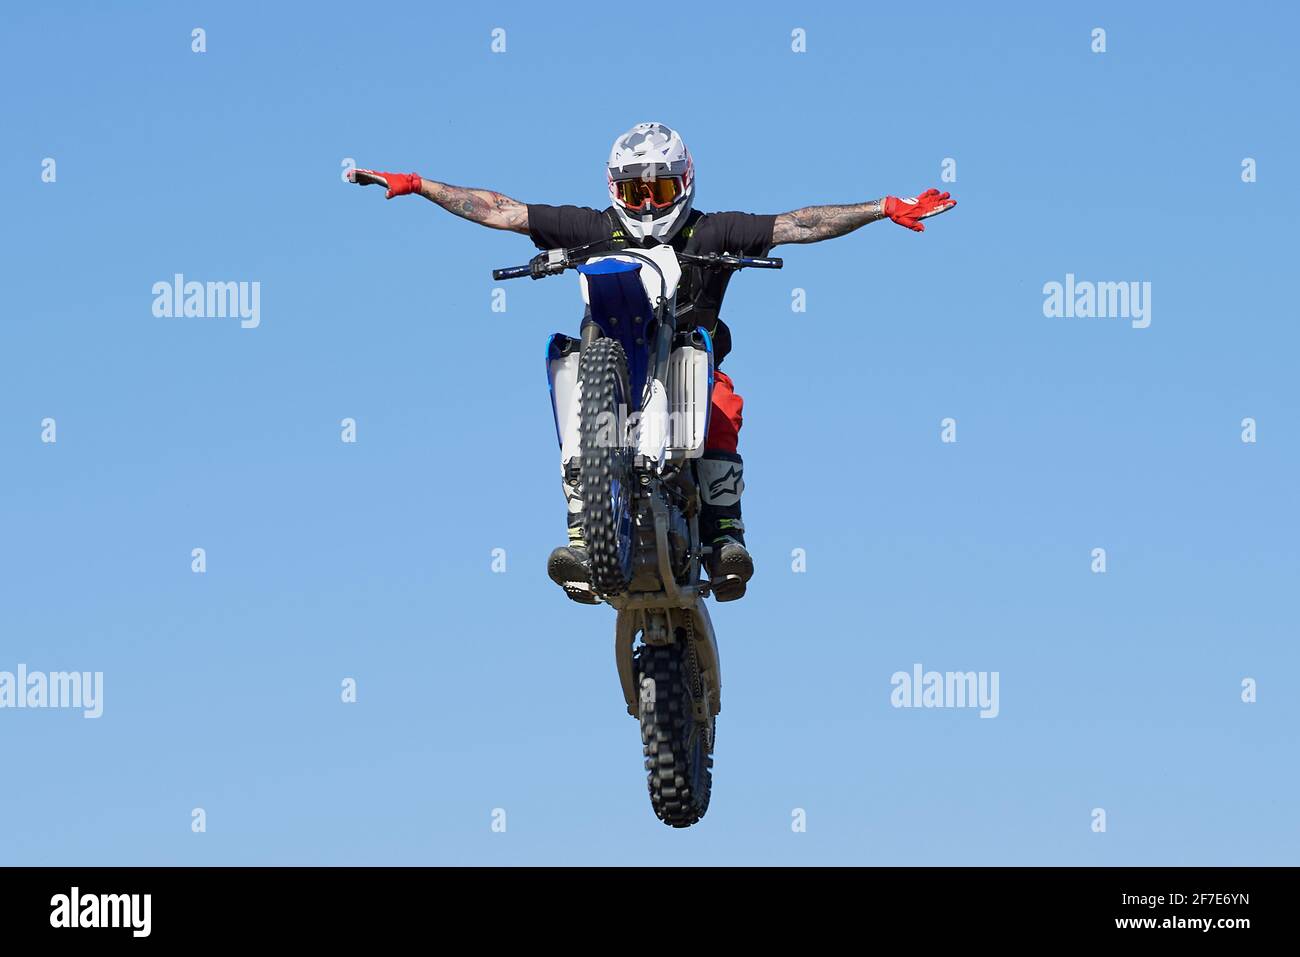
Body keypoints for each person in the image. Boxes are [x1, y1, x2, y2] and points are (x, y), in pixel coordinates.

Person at [349, 122, 955, 602]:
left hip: (688, 361)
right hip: (612, 369)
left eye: (658, 189)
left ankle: (724, 533)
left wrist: (880, 207)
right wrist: (422, 185)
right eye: (635, 190)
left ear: (682, 186)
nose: (646, 201)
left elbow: (798, 223)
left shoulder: (714, 231)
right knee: (564, 358)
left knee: (719, 396)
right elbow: (503, 210)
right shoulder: (589, 227)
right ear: (614, 190)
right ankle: (585, 533)